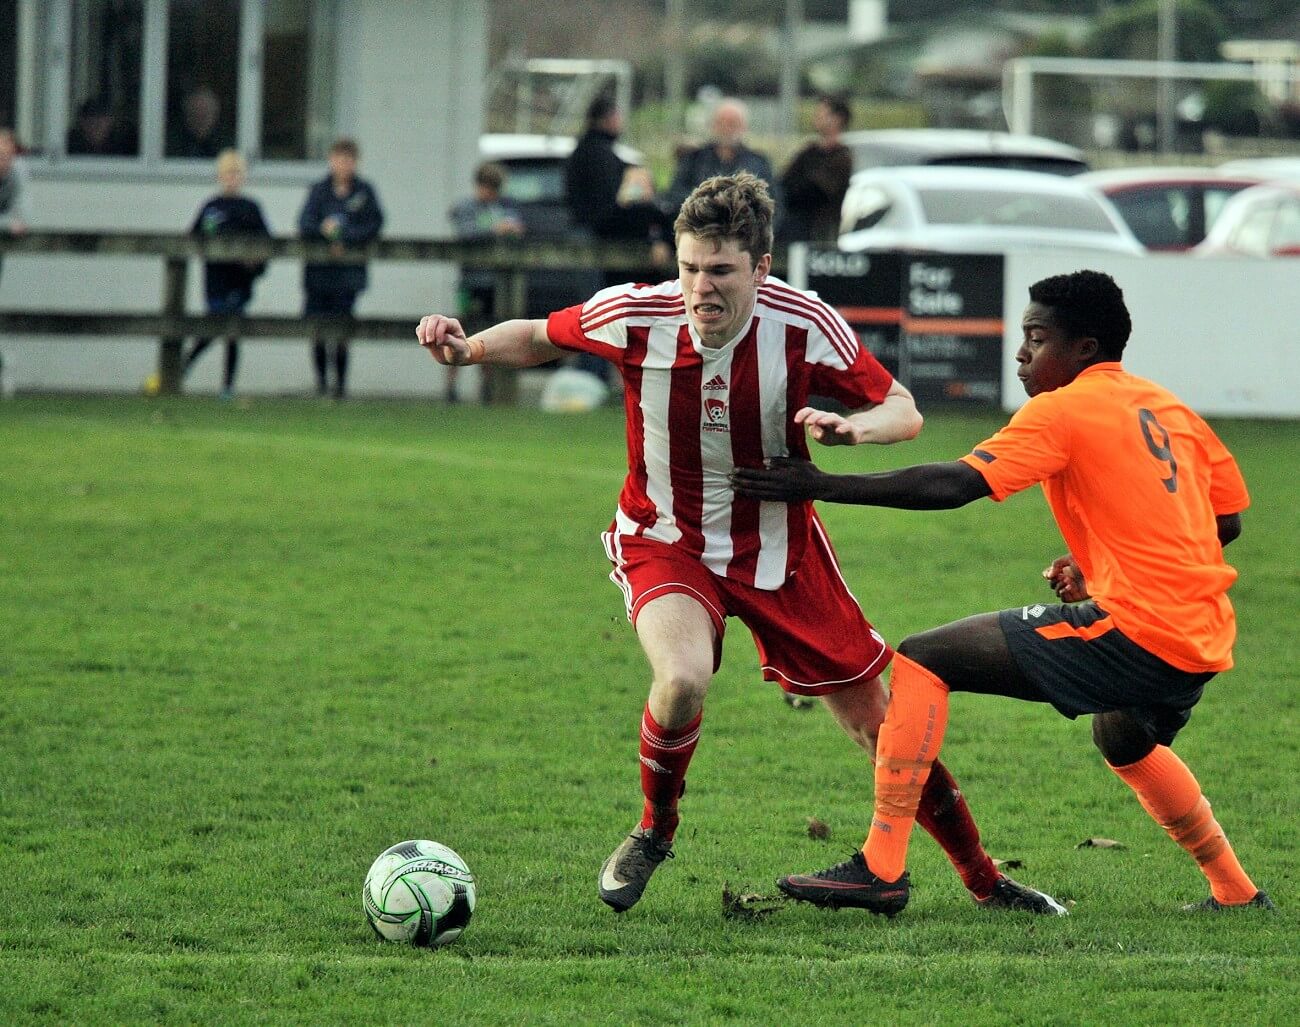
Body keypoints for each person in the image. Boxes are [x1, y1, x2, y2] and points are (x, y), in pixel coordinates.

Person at [416, 172, 1065, 917]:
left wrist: (855, 429)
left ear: (761, 267)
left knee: (881, 724)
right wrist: (467, 350)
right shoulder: (636, 314)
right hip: (667, 538)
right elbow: (537, 335)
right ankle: (654, 829)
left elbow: (902, 408)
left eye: (721, 270)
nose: (701, 288)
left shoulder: (804, 323)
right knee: (683, 677)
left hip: (781, 550)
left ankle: (985, 880)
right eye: (690, 267)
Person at [732, 269, 1272, 917]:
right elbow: (1225, 521)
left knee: (926, 656)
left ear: (1084, 349)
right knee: (1122, 737)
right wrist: (1101, 564)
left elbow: (954, 484)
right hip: (1201, 633)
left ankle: (881, 867)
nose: (1021, 354)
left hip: (1142, 630)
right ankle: (1236, 891)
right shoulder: (1170, 408)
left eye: (1037, 339)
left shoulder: (1062, 409)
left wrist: (819, 484)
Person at [298, 137, 384, 399]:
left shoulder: (364, 192)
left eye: (349, 160)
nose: (343, 165)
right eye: (339, 159)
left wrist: (346, 238)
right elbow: (305, 223)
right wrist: (324, 232)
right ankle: (321, 383)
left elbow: (374, 224)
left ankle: (340, 386)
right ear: (331, 160)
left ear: (355, 162)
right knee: (317, 329)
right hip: (319, 273)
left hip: (348, 275)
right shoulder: (319, 191)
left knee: (343, 329)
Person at [182, 149, 271, 399]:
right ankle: (185, 363)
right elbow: (193, 238)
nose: (232, 178)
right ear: (220, 176)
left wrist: (255, 263)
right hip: (215, 279)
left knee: (232, 329)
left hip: (240, 280)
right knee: (214, 324)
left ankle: (227, 385)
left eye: (236, 174)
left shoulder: (250, 208)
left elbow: (266, 243)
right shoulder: (211, 208)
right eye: (227, 174)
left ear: (243, 177)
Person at [447, 161, 525, 402]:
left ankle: (487, 386)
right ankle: (451, 386)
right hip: (470, 281)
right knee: (459, 331)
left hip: (496, 282)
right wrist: (495, 229)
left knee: (490, 333)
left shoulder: (506, 206)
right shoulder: (466, 207)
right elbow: (466, 233)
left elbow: (518, 228)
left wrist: (512, 229)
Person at [666, 99, 775, 214]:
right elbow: (675, 195)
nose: (726, 128)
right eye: (721, 123)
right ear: (712, 125)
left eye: (732, 123)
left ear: (744, 127)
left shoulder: (759, 163)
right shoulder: (693, 159)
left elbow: (772, 203)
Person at [778, 95, 853, 245]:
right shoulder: (809, 152)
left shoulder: (842, 158)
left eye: (822, 114)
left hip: (821, 232)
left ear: (837, 119)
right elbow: (785, 182)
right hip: (794, 228)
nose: (816, 117)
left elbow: (817, 190)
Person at [0, 127, 31, 288]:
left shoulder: (18, 169)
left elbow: (22, 197)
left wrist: (18, 219)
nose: (2, 161)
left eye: (6, 155)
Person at [168, 85, 229, 159]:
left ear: (215, 115)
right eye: (195, 114)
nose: (200, 120)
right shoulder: (172, 145)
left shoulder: (228, 147)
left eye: (205, 114)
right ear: (186, 116)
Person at [66, 97, 137, 156]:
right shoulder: (70, 144)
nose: (95, 124)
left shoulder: (123, 146)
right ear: (82, 122)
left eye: (101, 119)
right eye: (90, 119)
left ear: (110, 121)